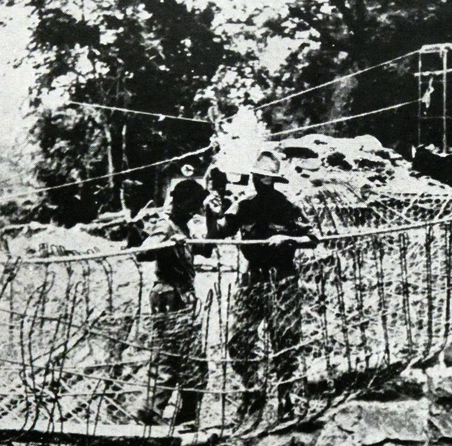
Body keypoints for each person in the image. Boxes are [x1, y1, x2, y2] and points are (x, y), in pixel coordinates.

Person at [211, 151, 317, 428]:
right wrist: (210, 214)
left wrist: (287, 239)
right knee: (239, 340)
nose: (259, 182)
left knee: (284, 340)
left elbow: (313, 237)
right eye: (256, 177)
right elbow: (219, 232)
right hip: (252, 280)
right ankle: (253, 392)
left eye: (265, 178)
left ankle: (285, 401)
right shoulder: (242, 205)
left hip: (282, 280)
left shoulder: (287, 206)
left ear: (274, 180)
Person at [135, 179, 209, 427]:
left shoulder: (183, 227)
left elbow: (206, 249)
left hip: (183, 296)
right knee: (168, 357)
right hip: (169, 297)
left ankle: (187, 415)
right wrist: (166, 244)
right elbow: (143, 251)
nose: (193, 211)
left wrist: (210, 217)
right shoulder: (166, 226)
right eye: (192, 205)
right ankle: (151, 412)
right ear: (181, 203)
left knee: (193, 359)